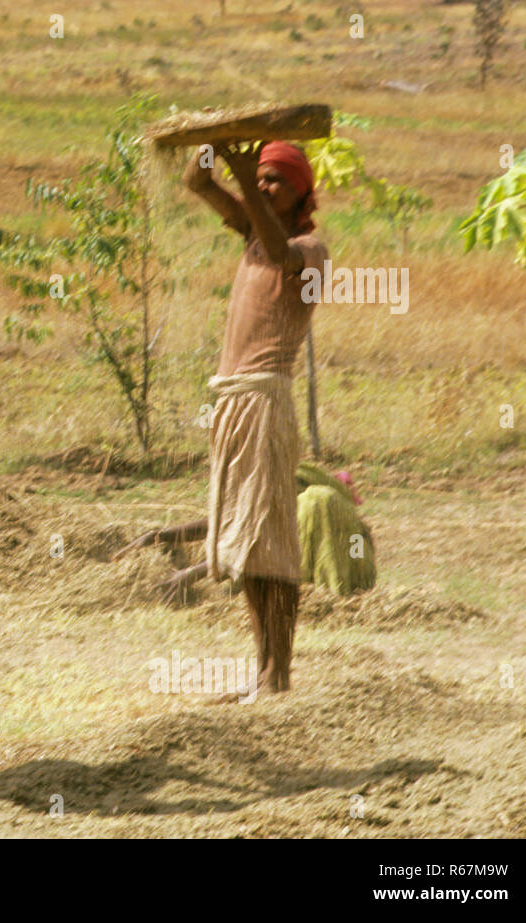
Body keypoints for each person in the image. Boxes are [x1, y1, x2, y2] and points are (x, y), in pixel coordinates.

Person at [181, 139, 329, 695]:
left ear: (301, 194)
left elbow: (279, 248)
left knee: (270, 545)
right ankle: (263, 671)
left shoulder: (311, 248)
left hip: (266, 400)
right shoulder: (252, 232)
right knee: (245, 544)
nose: (264, 187)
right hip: (233, 401)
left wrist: (243, 173)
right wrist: (211, 145)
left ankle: (278, 674)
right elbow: (196, 183)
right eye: (260, 178)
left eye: (275, 181)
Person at [118, 462, 376, 601]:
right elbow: (228, 520)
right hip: (356, 561)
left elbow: (255, 542)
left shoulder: (294, 495)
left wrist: (187, 575)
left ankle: (330, 588)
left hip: (340, 552)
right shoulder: (283, 480)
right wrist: (164, 536)